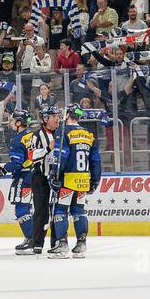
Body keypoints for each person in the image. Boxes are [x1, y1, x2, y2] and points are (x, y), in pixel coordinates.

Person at [47, 105, 101, 258]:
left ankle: (62, 245)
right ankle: (81, 243)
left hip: (67, 179)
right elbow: (96, 161)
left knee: (60, 210)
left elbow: (61, 156)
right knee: (79, 211)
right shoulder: (89, 134)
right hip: (83, 179)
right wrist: (95, 180)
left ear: (67, 115)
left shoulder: (64, 132)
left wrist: (54, 175)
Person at [0, 109, 37, 254]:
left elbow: (16, 163)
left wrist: (2, 170)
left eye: (12, 120)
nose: (10, 123)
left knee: (21, 208)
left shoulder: (17, 139)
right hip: (38, 175)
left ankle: (31, 240)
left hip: (24, 177)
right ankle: (34, 239)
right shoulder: (35, 135)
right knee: (30, 208)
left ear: (19, 122)